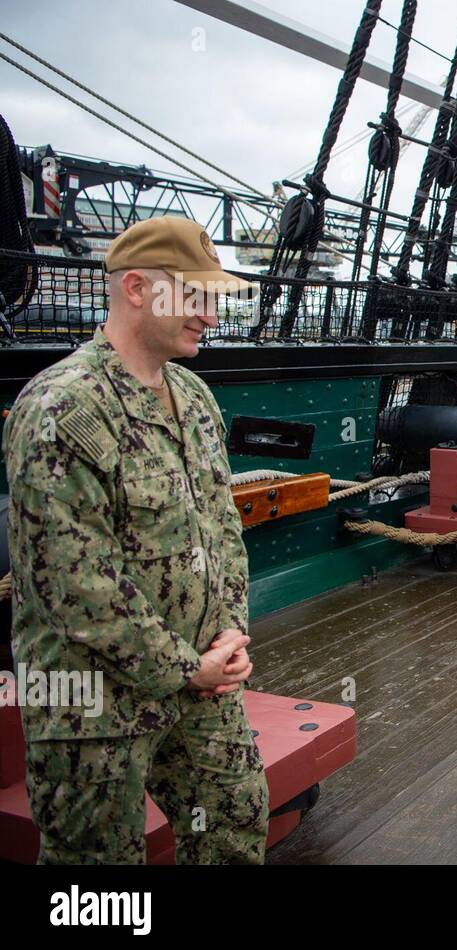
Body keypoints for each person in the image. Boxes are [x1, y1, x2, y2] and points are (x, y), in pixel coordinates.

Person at [4, 215, 269, 863]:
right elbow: (76, 588)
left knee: (235, 816)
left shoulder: (194, 395)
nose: (211, 314)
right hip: (93, 702)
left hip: (204, 677)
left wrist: (229, 634)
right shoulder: (63, 408)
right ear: (135, 289)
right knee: (97, 863)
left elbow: (220, 524)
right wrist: (188, 666)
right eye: (195, 296)